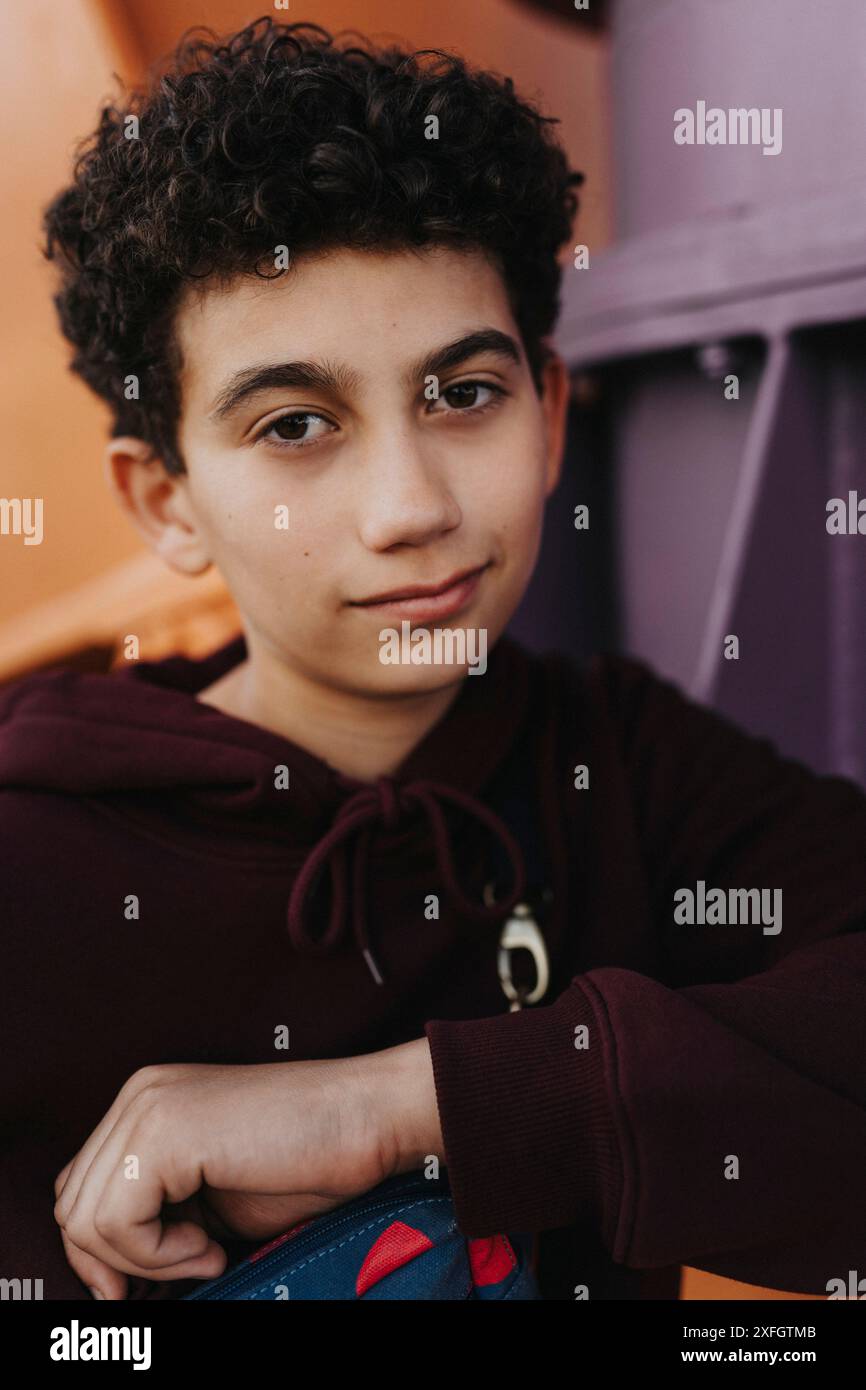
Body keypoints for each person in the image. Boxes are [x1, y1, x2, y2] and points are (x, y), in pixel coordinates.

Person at [2, 15, 866, 1303]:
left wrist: (414, 1106)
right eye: (297, 424)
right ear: (165, 503)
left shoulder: (622, 764)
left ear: (552, 411)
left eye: (463, 394)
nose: (411, 507)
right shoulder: (36, 866)